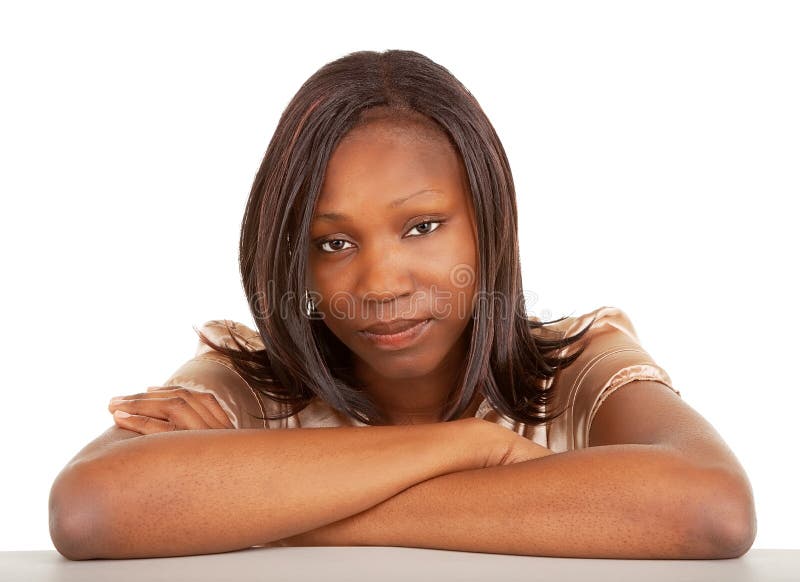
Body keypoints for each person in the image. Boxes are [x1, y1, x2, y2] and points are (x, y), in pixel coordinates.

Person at [49, 49, 755, 561]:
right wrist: (469, 448)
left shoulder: (577, 365)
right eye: (331, 243)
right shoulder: (251, 382)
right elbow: (89, 512)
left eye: (422, 227)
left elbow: (712, 509)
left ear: (488, 221)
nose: (381, 285)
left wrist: (258, 507)